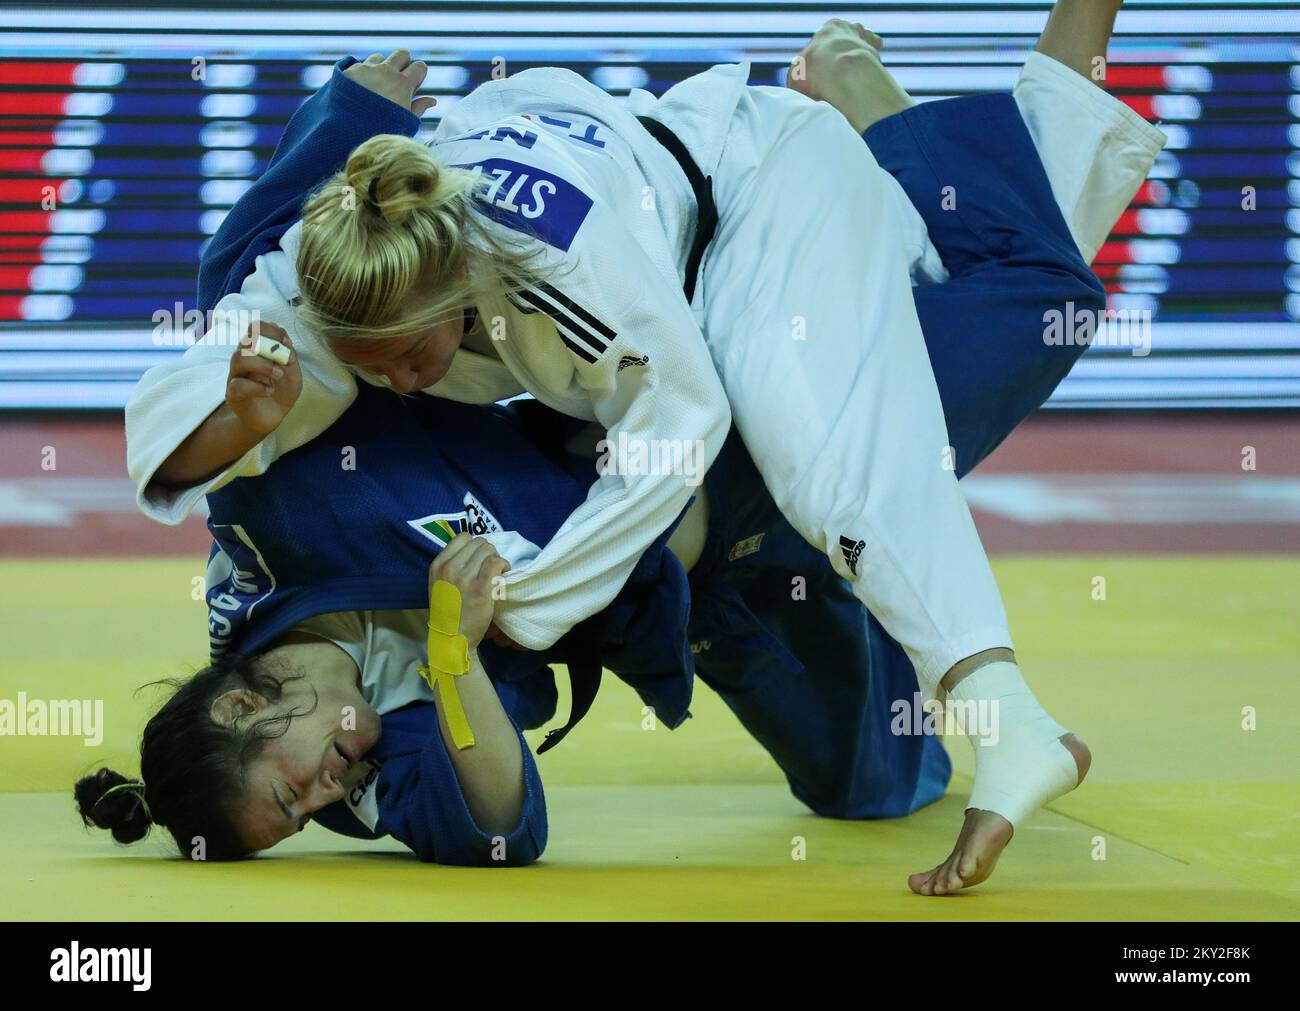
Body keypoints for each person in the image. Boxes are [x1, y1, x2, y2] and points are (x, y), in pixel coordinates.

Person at [115, 6, 1165, 892]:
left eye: (292, 787)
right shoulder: (372, 747)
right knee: (870, 789)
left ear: (245, 702)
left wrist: (524, 599)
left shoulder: (271, 538)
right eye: (309, 816)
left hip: (734, 276)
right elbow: (497, 833)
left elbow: (682, 416)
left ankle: (851, 90)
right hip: (696, 585)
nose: (328, 791)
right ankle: (877, 123)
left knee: (1017, 317)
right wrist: (449, 654)